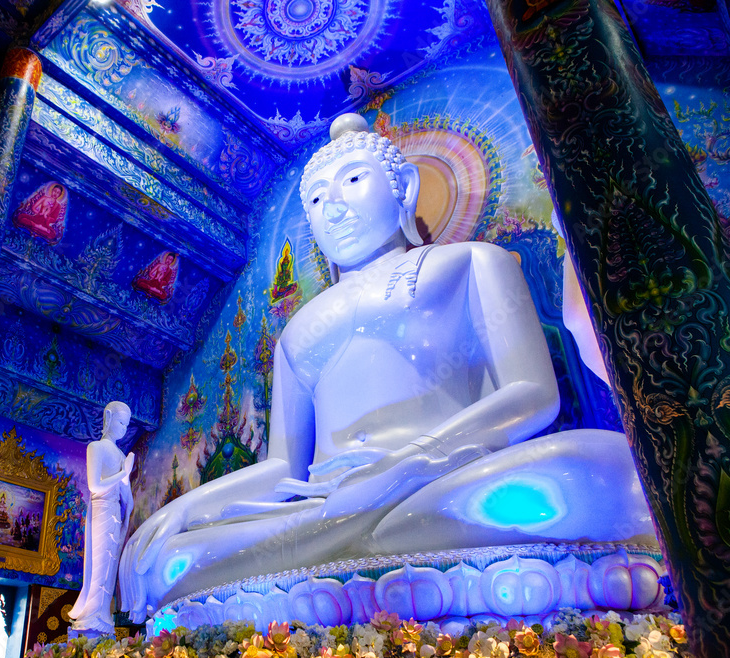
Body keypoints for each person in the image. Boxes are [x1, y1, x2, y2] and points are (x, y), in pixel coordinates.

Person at [118, 114, 654, 622]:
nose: (334, 207)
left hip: (441, 480)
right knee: (173, 560)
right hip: (326, 504)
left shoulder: (468, 262)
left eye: (353, 180)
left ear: (407, 189)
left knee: (598, 471)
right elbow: (284, 469)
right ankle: (371, 548)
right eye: (317, 198)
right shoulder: (298, 331)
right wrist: (185, 510)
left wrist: (411, 463)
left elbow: (533, 394)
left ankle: (349, 557)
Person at [70, 401, 135, 635]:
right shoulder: (96, 448)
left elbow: (126, 494)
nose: (123, 428)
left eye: (126, 425)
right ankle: (92, 614)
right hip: (101, 510)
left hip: (116, 513)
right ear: (108, 418)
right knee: (99, 564)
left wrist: (126, 482)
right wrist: (122, 473)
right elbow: (94, 485)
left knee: (110, 566)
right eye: (119, 422)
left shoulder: (120, 454)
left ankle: (104, 615)